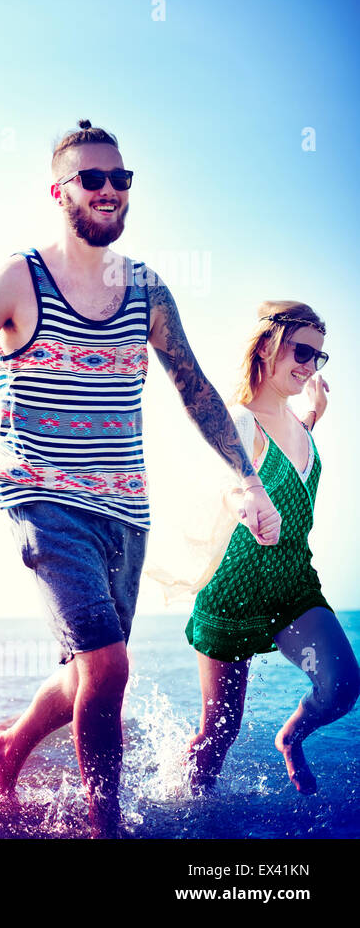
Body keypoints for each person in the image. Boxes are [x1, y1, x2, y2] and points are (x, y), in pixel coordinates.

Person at [0, 121, 281, 837]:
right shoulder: (19, 279)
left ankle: (8, 747)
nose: (108, 190)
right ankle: (107, 825)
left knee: (85, 669)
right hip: (41, 499)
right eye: (92, 178)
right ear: (59, 190)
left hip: (125, 511)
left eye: (120, 178)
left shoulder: (148, 291)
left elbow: (194, 387)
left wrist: (248, 480)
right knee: (109, 661)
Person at [185, 303, 358, 795]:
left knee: (342, 687)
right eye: (301, 350)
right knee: (220, 734)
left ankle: (291, 737)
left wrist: (313, 414)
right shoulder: (239, 421)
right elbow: (233, 482)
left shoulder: (301, 425)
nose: (309, 364)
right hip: (234, 590)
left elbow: (294, 446)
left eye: (318, 357)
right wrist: (248, 505)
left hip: (292, 585)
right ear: (267, 346)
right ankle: (189, 814)